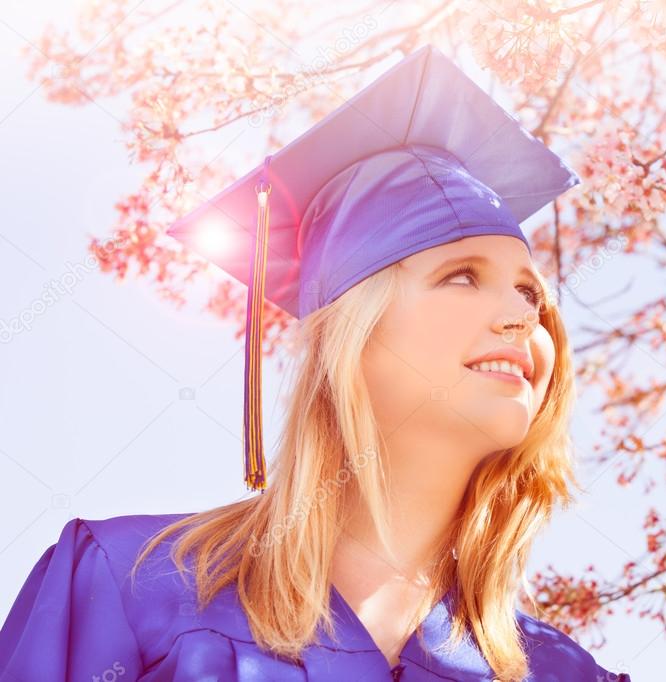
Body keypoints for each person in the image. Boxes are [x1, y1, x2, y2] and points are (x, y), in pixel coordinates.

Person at [0, 44, 633, 681]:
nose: (524, 316)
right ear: (350, 338)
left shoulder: (558, 672)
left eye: (532, 292)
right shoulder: (134, 587)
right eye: (462, 277)